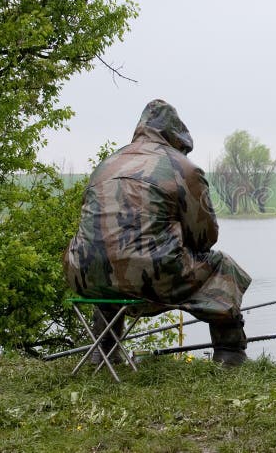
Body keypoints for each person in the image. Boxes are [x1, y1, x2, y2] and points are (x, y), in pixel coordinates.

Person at [63, 99, 252, 366]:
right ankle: (230, 354)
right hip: (152, 278)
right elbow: (205, 238)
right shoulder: (182, 168)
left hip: (82, 274)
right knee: (222, 265)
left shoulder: (106, 165)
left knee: (106, 259)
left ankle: (103, 351)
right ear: (177, 137)